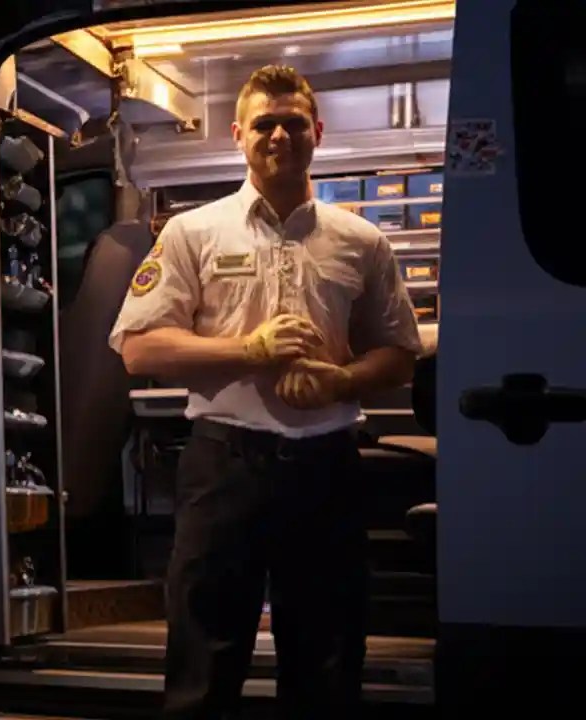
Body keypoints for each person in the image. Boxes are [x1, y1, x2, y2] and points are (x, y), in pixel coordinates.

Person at [107, 64, 423, 719]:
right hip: (225, 465)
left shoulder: (361, 241)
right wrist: (247, 350)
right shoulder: (193, 232)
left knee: (328, 663)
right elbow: (139, 347)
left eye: (292, 122)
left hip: (328, 467)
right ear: (237, 135)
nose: (279, 134)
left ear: (318, 131)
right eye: (264, 124)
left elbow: (398, 355)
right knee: (203, 663)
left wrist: (342, 378)